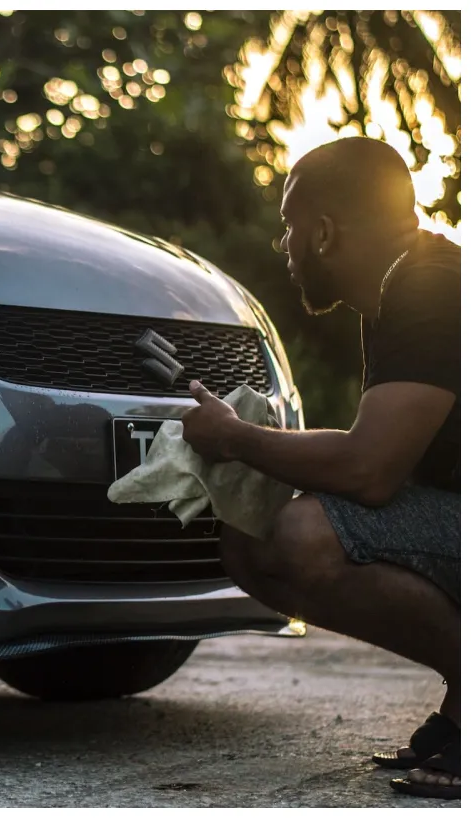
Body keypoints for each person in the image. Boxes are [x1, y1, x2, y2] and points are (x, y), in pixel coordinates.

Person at [181, 136, 460, 800]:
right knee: (251, 540)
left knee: (299, 536)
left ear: (326, 232)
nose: (284, 245)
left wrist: (238, 439)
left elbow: (371, 470)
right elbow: (394, 457)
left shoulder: (431, 288)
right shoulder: (404, 286)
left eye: (290, 226)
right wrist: (264, 446)